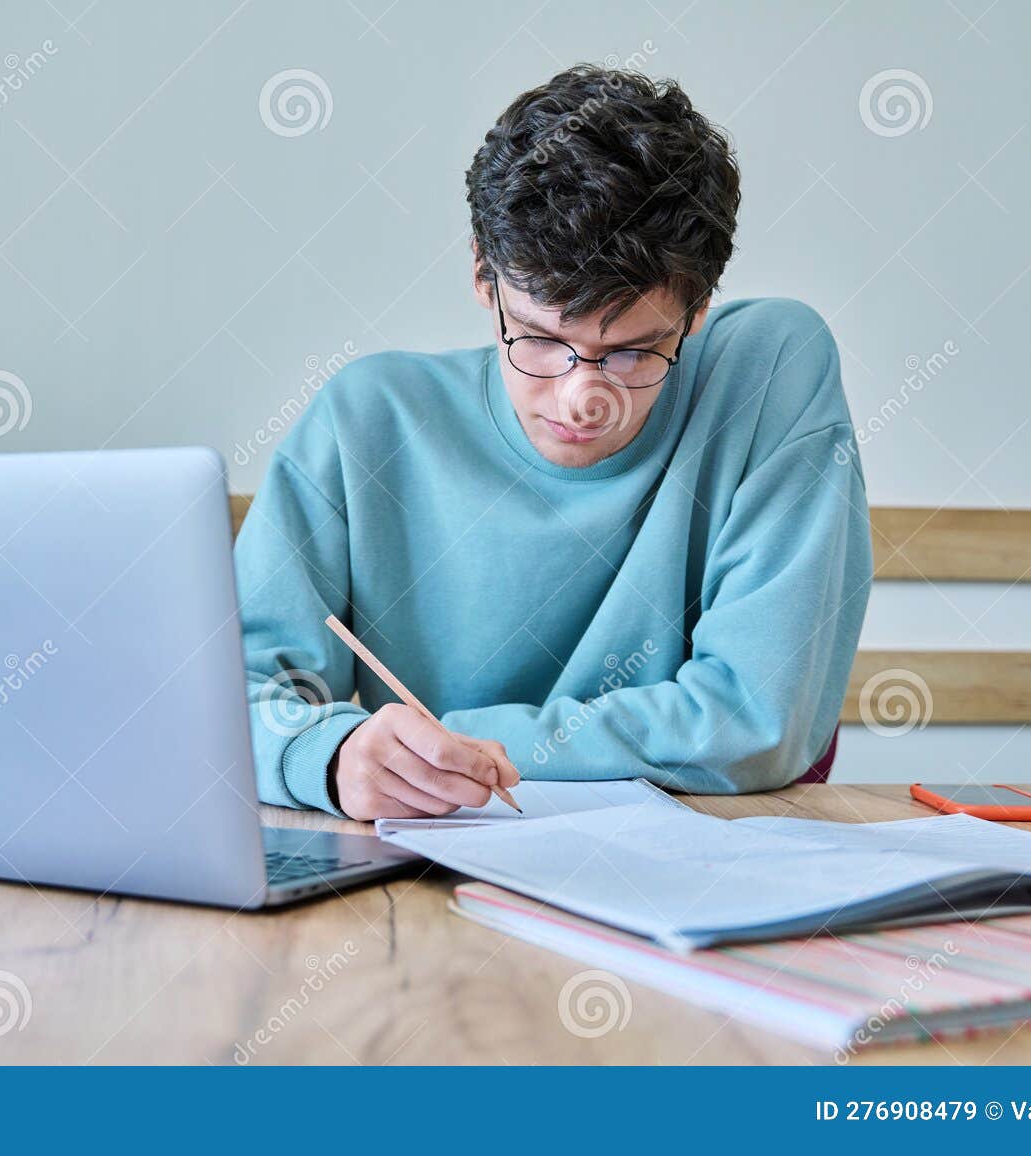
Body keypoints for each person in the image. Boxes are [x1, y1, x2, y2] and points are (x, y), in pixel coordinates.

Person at [234, 65, 871, 820]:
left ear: (698, 309)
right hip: (432, 872)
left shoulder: (768, 370)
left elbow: (757, 724)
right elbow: (231, 696)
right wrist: (333, 756)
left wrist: (444, 744)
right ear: (483, 275)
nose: (583, 399)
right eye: (539, 339)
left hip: (687, 881)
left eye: (634, 350)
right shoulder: (367, 419)